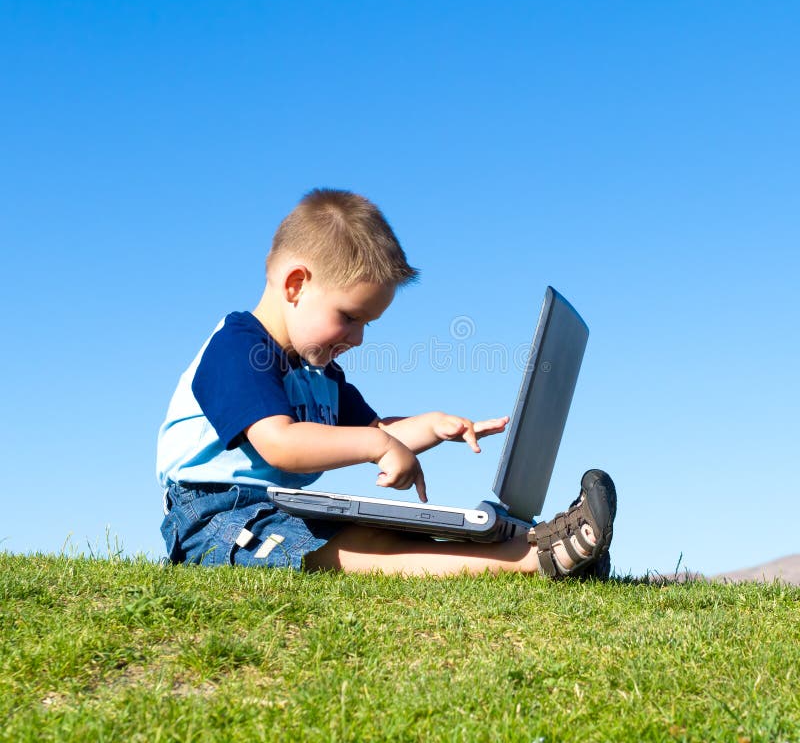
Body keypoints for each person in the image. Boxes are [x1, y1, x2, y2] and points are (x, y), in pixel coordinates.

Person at [156, 188, 616, 578]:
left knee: (383, 532)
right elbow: (281, 443)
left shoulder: (319, 374)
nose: (357, 338)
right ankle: (533, 560)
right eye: (349, 317)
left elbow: (377, 433)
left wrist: (432, 426)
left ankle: (544, 546)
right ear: (295, 285)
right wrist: (377, 446)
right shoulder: (237, 348)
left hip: (282, 507)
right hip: (216, 516)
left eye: (366, 324)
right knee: (354, 549)